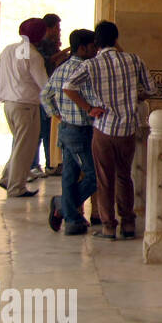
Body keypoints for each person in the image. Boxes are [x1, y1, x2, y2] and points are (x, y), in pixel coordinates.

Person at [64, 21, 156, 240]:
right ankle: (128, 224)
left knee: (105, 179)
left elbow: (68, 87)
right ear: (117, 38)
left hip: (104, 127)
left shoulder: (92, 65)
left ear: (96, 42)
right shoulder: (134, 60)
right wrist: (135, 97)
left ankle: (108, 226)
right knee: (125, 176)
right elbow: (152, 89)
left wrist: (89, 108)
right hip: (127, 129)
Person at [40, 29, 98, 236]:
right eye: (93, 46)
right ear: (82, 48)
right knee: (95, 176)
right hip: (81, 130)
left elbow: (45, 95)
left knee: (70, 175)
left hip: (66, 129)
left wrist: (58, 115)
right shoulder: (86, 71)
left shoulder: (61, 69)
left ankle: (72, 219)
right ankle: (62, 206)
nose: (96, 50)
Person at [0, 18, 49, 198]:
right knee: (25, 148)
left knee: (19, 144)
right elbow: (44, 84)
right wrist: (55, 106)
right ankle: (16, 187)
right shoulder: (33, 55)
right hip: (26, 106)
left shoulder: (8, 50)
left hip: (10, 105)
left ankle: (8, 178)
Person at [32, 13, 69, 179]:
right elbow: (46, 61)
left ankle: (50, 163)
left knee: (48, 131)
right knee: (42, 131)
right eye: (57, 27)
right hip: (43, 90)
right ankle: (41, 165)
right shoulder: (42, 44)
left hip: (49, 90)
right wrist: (68, 51)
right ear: (49, 28)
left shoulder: (52, 44)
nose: (58, 31)